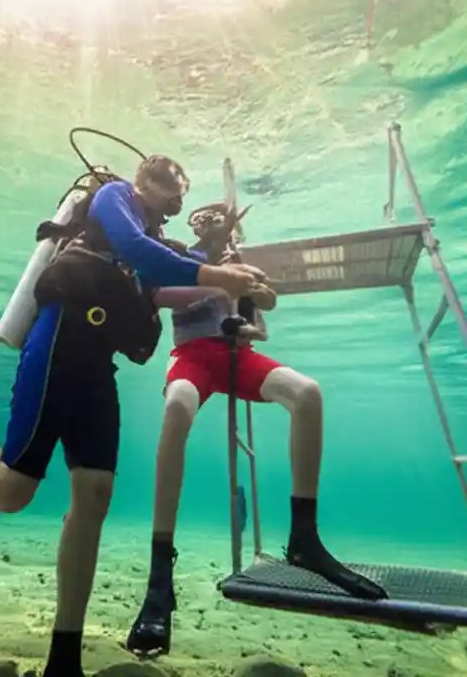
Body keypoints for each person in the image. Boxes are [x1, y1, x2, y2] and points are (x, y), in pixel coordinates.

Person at [0, 156, 267, 677]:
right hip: (58, 344)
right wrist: (217, 272)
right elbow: (137, 249)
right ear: (143, 181)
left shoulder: (147, 242)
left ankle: (63, 659)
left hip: (96, 368)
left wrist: (223, 278)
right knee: (11, 492)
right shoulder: (114, 202)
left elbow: (163, 287)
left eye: (184, 193)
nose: (178, 201)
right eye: (172, 189)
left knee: (95, 497)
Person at [126, 202, 389, 658]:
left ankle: (304, 539)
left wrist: (247, 288)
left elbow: (268, 303)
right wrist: (216, 279)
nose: (208, 223)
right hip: (193, 356)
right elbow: (160, 294)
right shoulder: (178, 255)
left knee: (307, 394)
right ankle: (159, 575)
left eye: (216, 217)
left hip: (238, 356)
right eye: (201, 217)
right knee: (176, 410)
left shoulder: (243, 261)